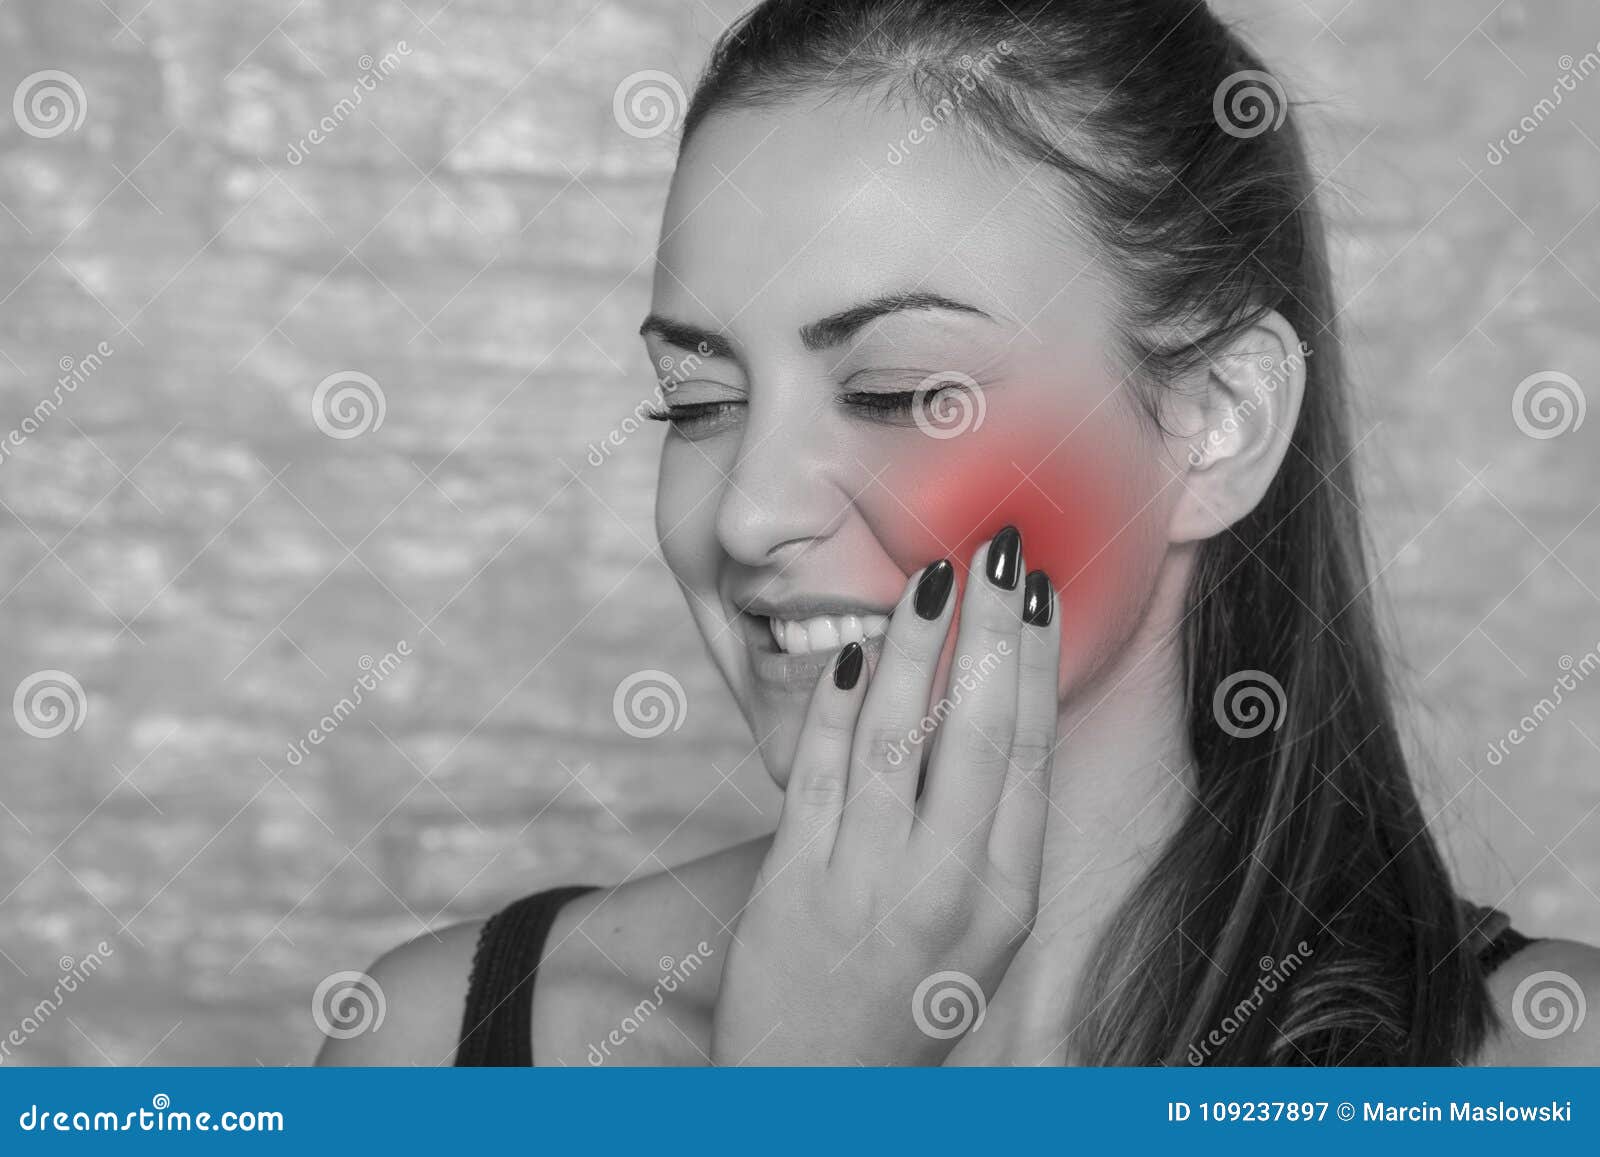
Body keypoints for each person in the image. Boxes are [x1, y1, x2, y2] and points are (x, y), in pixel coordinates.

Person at [318, 0, 1600, 1066]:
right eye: (697, 401)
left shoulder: (1550, 1062)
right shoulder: (434, 1046)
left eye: (895, 393)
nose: (750, 513)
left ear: (1216, 416)